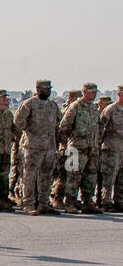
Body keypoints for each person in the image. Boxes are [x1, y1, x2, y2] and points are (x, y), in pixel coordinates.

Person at [13, 79, 59, 215]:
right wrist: (31, 131)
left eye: (49, 88)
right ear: (38, 89)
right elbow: (18, 121)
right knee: (30, 176)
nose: (48, 91)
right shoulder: (29, 104)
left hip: (49, 146)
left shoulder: (52, 105)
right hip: (33, 146)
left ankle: (44, 203)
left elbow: (58, 121)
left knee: (47, 175)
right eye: (45, 88)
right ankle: (29, 204)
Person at [57, 82, 101, 213]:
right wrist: (72, 140)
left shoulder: (93, 108)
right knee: (73, 176)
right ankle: (70, 203)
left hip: (91, 148)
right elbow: (64, 126)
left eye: (95, 92)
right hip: (76, 148)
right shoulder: (75, 106)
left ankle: (87, 201)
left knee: (91, 175)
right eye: (91, 91)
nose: (93, 94)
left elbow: (98, 126)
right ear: (84, 92)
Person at [99, 86, 123, 212]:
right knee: (109, 177)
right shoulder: (111, 109)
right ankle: (106, 202)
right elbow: (100, 129)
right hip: (111, 148)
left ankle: (119, 201)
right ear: (120, 94)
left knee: (121, 178)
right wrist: (98, 146)